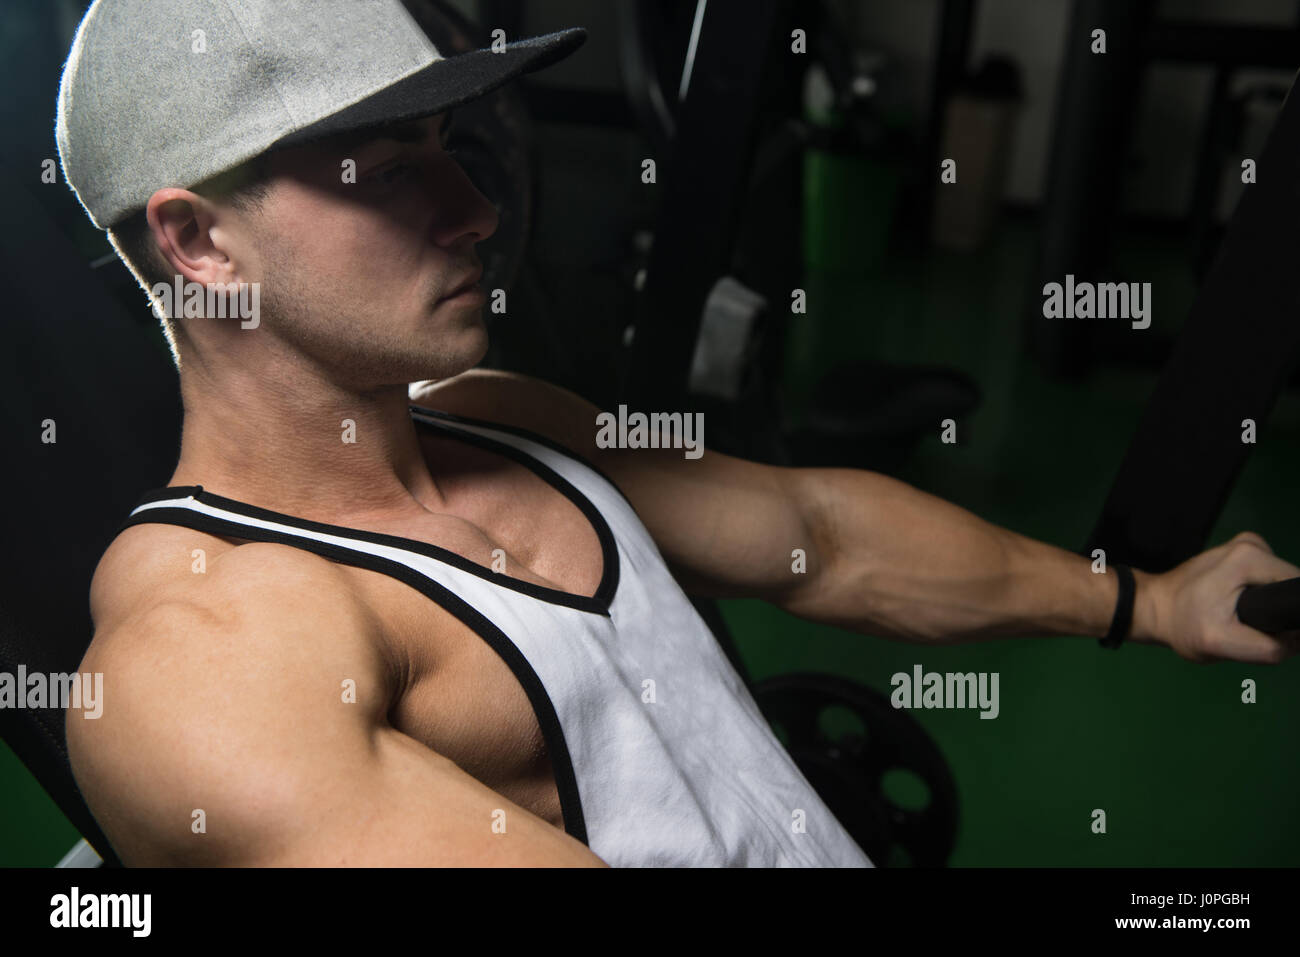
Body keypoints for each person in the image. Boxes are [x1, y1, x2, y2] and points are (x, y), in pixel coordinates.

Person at [58, 0, 1296, 868]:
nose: (477, 210)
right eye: (386, 171)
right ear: (201, 245)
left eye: (450, 154)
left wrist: (1144, 600)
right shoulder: (201, 671)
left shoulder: (501, 418)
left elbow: (823, 537)